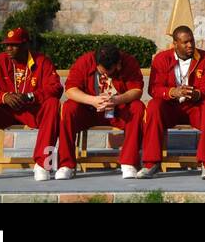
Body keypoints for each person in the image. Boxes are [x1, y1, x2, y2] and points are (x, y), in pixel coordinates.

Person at [0, 28, 62, 181]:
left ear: (25, 45)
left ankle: (43, 164)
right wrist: (3, 96)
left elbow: (56, 87)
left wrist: (30, 96)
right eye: (6, 45)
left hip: (31, 110)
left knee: (53, 104)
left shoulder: (42, 61)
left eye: (14, 45)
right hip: (5, 111)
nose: (8, 49)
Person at [139, 25, 205, 179]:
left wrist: (196, 93)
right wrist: (172, 92)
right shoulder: (161, 58)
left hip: (196, 106)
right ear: (175, 44)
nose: (190, 45)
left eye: (192, 41)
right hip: (171, 107)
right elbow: (154, 89)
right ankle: (151, 163)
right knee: (154, 106)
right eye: (185, 42)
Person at [58, 42, 144, 179]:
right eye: (101, 71)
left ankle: (129, 162)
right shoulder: (85, 61)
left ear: (118, 64)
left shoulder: (129, 62)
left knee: (138, 107)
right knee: (68, 108)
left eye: (107, 72)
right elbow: (70, 90)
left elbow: (137, 90)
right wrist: (92, 100)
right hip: (89, 110)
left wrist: (117, 100)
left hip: (118, 110)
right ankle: (66, 164)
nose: (104, 74)